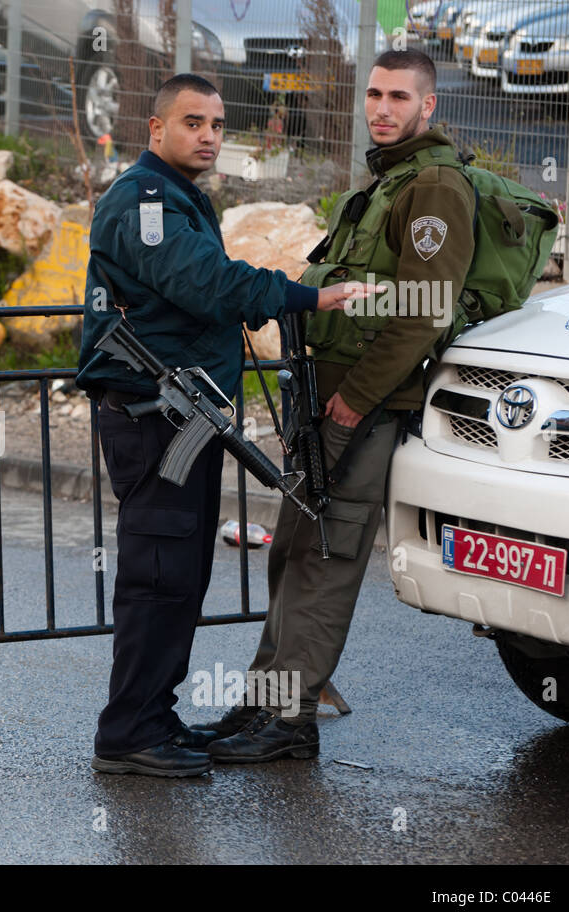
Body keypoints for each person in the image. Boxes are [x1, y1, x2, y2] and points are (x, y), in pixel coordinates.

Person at [76, 73, 369, 778]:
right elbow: (207, 283)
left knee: (179, 576)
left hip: (183, 419)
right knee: (157, 577)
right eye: (192, 122)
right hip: (153, 420)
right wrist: (309, 296)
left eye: (216, 123)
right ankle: (128, 732)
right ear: (156, 130)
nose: (208, 135)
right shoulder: (147, 200)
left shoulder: (179, 197)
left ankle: (154, 715)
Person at [201, 49, 477, 762]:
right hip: (325, 399)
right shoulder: (390, 179)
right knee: (294, 549)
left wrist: (352, 404)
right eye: (375, 95)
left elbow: (423, 314)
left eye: (399, 97)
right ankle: (266, 699)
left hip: (366, 405)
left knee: (327, 555)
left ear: (429, 106)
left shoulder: (437, 187)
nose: (382, 108)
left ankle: (290, 723)